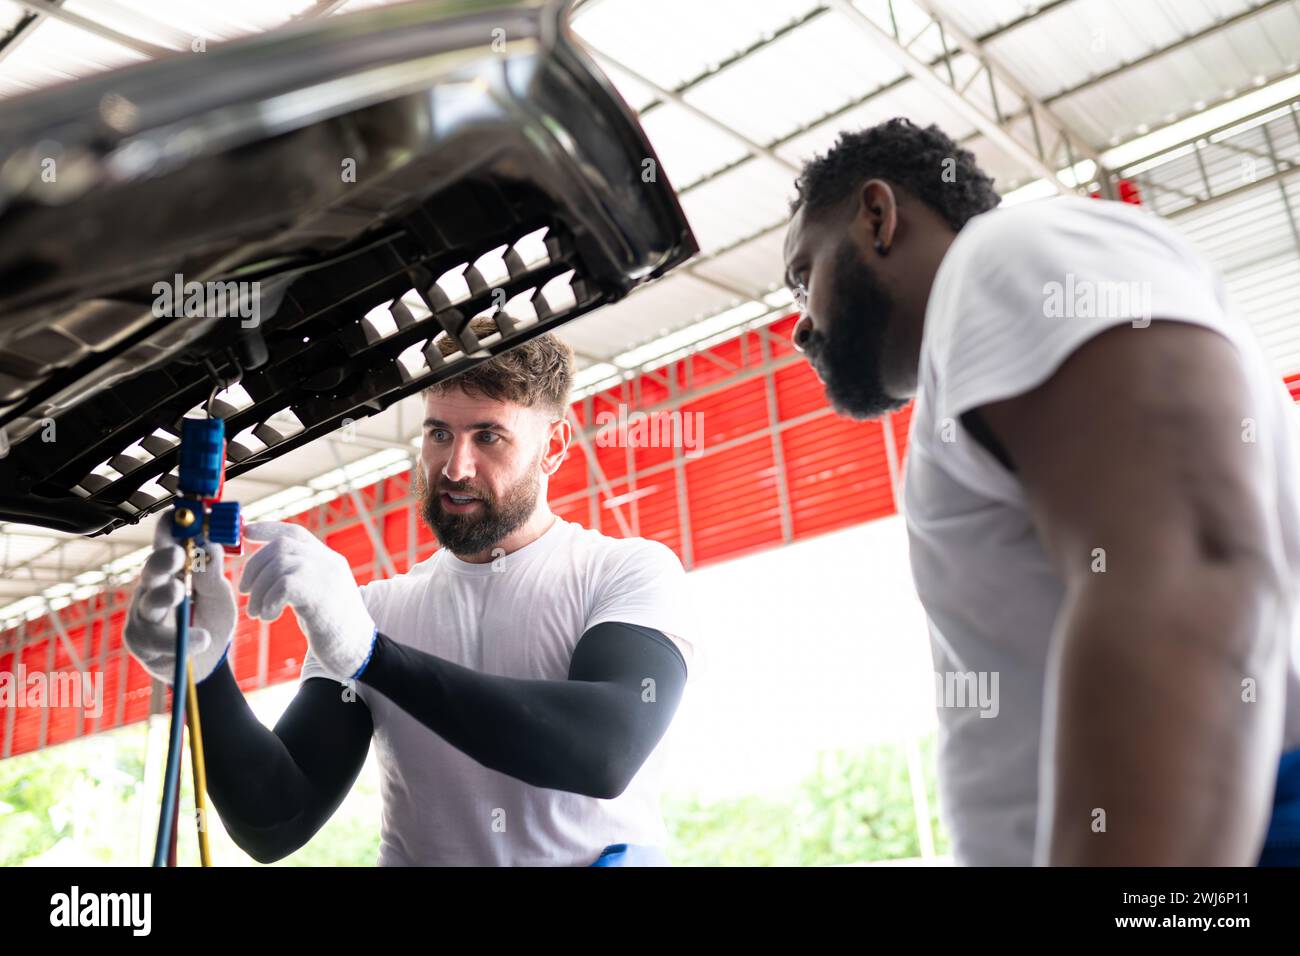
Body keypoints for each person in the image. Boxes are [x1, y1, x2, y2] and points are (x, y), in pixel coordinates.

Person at [782, 117, 1300, 865]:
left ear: (876, 215)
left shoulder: (1002, 257)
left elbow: (1195, 570)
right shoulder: (973, 358)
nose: (800, 328)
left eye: (804, 277)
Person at [124, 317, 695, 866]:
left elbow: (603, 753)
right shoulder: (373, 611)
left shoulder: (626, 572)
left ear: (555, 446)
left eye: (488, 436)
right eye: (439, 434)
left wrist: (372, 655)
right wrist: (204, 674)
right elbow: (275, 820)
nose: (454, 467)